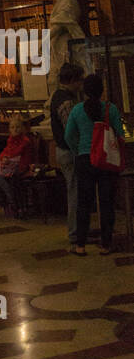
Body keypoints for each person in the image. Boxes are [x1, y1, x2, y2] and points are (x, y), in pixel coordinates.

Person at [64, 72, 124, 256]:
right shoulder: (110, 109)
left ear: (85, 90)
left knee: (84, 203)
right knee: (106, 203)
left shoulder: (77, 110)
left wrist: (78, 150)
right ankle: (106, 244)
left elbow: (68, 136)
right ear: (102, 90)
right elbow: (120, 135)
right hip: (105, 160)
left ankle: (80, 245)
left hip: (85, 159)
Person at [50, 61, 84, 249]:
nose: (81, 84)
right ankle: (74, 232)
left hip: (63, 150)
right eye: (79, 80)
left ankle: (76, 231)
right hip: (69, 152)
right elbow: (71, 130)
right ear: (71, 80)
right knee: (75, 192)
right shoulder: (66, 101)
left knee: (74, 191)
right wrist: (78, 150)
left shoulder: (57, 95)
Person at [0, 115, 33, 218]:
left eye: (17, 127)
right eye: (12, 127)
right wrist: (4, 157)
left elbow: (16, 152)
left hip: (20, 166)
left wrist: (7, 157)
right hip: (8, 164)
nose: (15, 129)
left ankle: (13, 202)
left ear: (22, 128)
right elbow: (5, 152)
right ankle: (2, 200)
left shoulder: (25, 141)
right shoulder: (10, 139)